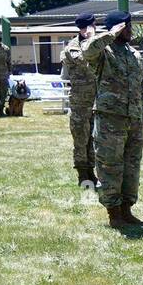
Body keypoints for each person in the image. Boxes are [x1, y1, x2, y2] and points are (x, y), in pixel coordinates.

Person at [82, 11, 143, 228]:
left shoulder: (134, 54)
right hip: (111, 119)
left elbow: (140, 87)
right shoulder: (103, 52)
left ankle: (126, 209)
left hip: (134, 119)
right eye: (126, 26)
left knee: (132, 166)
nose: (130, 30)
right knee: (110, 166)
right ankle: (113, 213)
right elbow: (87, 50)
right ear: (116, 28)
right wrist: (110, 35)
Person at [60, 14, 99, 185]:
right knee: (81, 139)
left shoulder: (94, 43)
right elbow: (86, 60)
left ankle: (92, 171)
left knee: (93, 138)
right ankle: (83, 175)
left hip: (95, 100)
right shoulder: (72, 47)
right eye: (92, 26)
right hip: (80, 102)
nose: (95, 28)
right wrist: (93, 40)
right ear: (85, 27)